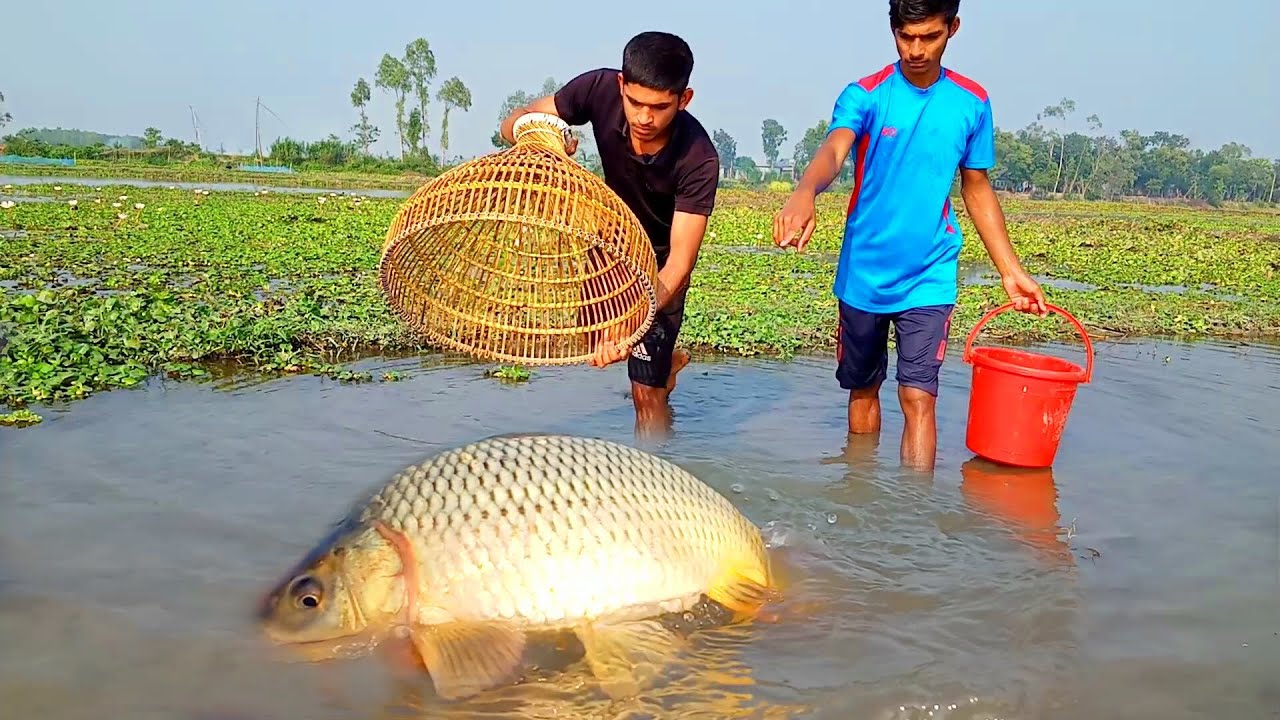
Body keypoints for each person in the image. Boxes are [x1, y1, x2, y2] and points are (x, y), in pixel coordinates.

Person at [773, 0, 1047, 471]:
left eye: (930, 36)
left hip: (930, 273)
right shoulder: (866, 95)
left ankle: (911, 520)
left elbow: (976, 187)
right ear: (892, 30)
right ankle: (862, 506)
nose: (916, 49)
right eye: (906, 36)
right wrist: (804, 191)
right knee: (863, 388)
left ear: (952, 29)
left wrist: (1011, 271)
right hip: (864, 272)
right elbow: (835, 148)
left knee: (919, 395)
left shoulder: (972, 102)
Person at [499, 31, 720, 437]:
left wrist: (634, 315)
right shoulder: (599, 89)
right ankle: (663, 364)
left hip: (656, 265)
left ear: (684, 100)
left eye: (659, 107)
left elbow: (679, 267)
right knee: (598, 340)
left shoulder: (698, 158)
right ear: (621, 85)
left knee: (644, 395)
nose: (643, 118)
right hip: (609, 248)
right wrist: (542, 139)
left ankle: (655, 479)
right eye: (635, 102)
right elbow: (515, 121)